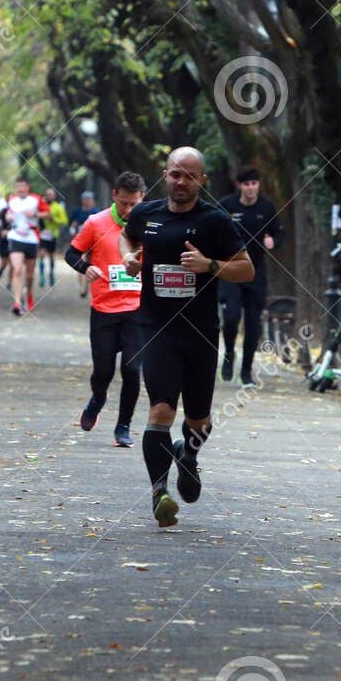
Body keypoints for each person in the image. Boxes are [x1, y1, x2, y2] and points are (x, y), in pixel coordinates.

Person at [120, 147, 253, 527]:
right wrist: (130, 258)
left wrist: (209, 265)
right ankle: (159, 494)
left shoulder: (215, 221)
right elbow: (126, 239)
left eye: (189, 176)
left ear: (202, 181)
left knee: (200, 420)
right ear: (165, 175)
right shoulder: (147, 214)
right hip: (156, 327)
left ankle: (188, 457)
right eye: (175, 174)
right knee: (161, 410)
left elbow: (246, 271)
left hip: (200, 331)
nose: (181, 182)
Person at [66, 172, 147, 448]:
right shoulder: (95, 223)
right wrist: (85, 267)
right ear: (114, 195)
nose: (128, 210)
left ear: (143, 199)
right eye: (123, 203)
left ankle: (123, 426)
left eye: (134, 204)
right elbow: (71, 253)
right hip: (103, 309)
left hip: (137, 310)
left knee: (132, 370)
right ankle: (97, 398)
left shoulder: (151, 226)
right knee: (103, 371)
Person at [218, 167, 286, 387]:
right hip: (231, 269)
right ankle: (229, 354)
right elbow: (211, 228)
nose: (250, 188)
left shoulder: (266, 207)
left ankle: (246, 371)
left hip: (255, 271)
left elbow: (278, 232)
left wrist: (273, 241)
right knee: (231, 317)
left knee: (253, 324)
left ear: (258, 185)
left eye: (254, 183)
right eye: (246, 184)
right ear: (240, 186)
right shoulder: (227, 205)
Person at [4, 178, 42, 314]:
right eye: (18, 187)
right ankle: (17, 302)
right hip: (16, 236)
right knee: (18, 269)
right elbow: (8, 214)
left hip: (32, 237)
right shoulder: (12, 200)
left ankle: (29, 293)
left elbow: (48, 214)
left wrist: (36, 214)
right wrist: (8, 216)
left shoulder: (36, 199)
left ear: (28, 187)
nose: (20, 189)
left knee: (30, 275)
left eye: (22, 186)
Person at [70, 190, 99, 297]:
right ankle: (83, 288)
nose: (86, 201)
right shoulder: (77, 212)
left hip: (93, 242)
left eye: (89, 199)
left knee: (91, 262)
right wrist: (73, 230)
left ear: (93, 201)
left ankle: (89, 285)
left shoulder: (96, 212)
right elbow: (72, 224)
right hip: (80, 240)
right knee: (81, 261)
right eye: (85, 199)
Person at [39, 187, 67, 288]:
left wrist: (53, 219)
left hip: (53, 235)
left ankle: (51, 273)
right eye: (48, 194)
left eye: (51, 195)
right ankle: (41, 275)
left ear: (54, 196)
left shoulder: (58, 207)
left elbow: (64, 220)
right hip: (42, 234)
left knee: (51, 256)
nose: (49, 196)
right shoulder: (41, 205)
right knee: (41, 254)